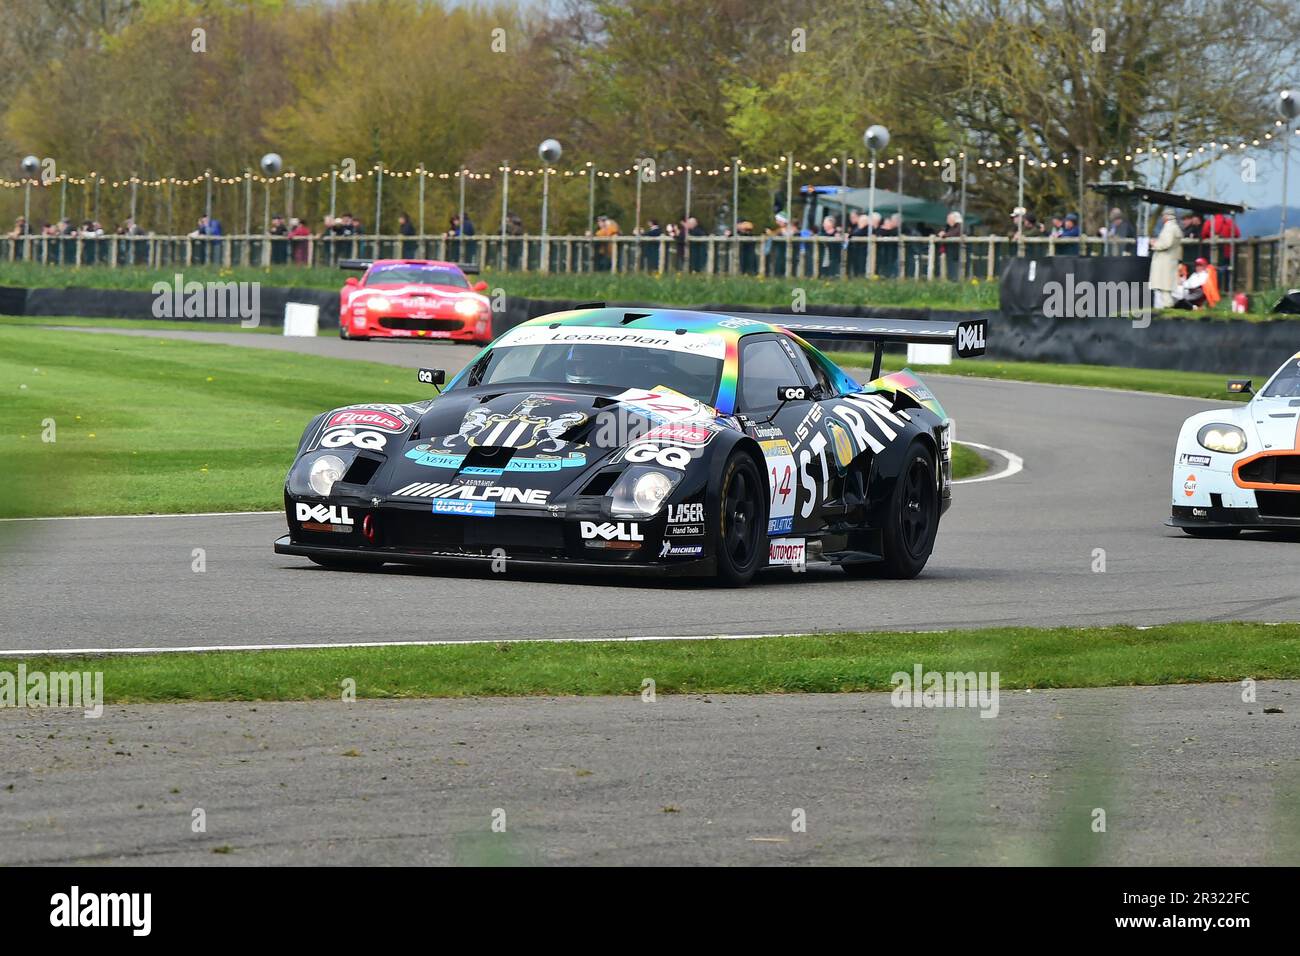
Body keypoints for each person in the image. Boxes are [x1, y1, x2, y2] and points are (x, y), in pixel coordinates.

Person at [1149, 211, 1182, 309]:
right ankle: (1168, 307)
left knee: (1164, 288)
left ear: (1166, 216)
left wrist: (1154, 244)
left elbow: (1167, 243)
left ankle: (1168, 308)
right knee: (1166, 288)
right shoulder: (1175, 227)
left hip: (1164, 262)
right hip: (1170, 261)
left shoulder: (1169, 227)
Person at [937, 211, 963, 278]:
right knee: (950, 266)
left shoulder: (959, 226)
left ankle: (954, 279)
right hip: (951, 250)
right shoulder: (950, 227)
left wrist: (944, 235)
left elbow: (955, 233)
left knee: (954, 267)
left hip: (956, 250)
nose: (948, 221)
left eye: (949, 219)